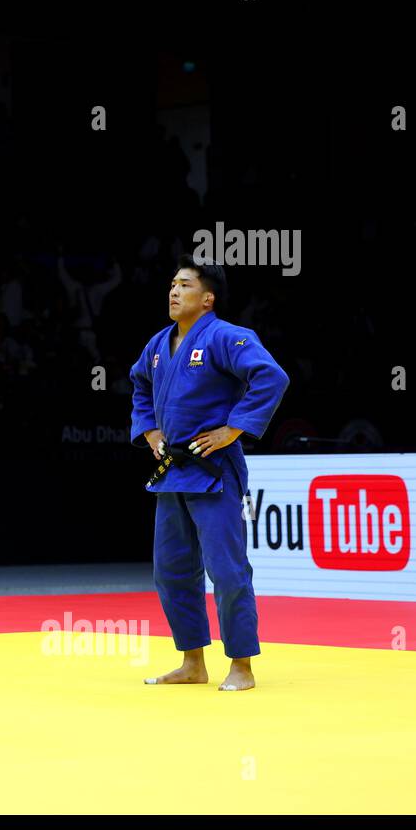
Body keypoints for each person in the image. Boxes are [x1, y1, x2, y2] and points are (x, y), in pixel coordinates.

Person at [129, 255, 289, 692]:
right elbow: (139, 386)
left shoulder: (226, 336)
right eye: (172, 284)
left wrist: (233, 429)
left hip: (214, 469)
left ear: (208, 298)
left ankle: (241, 664)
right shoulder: (158, 345)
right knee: (172, 571)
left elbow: (271, 377)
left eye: (184, 284)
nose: (174, 291)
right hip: (173, 470)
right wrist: (150, 432)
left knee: (227, 567)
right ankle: (192, 662)